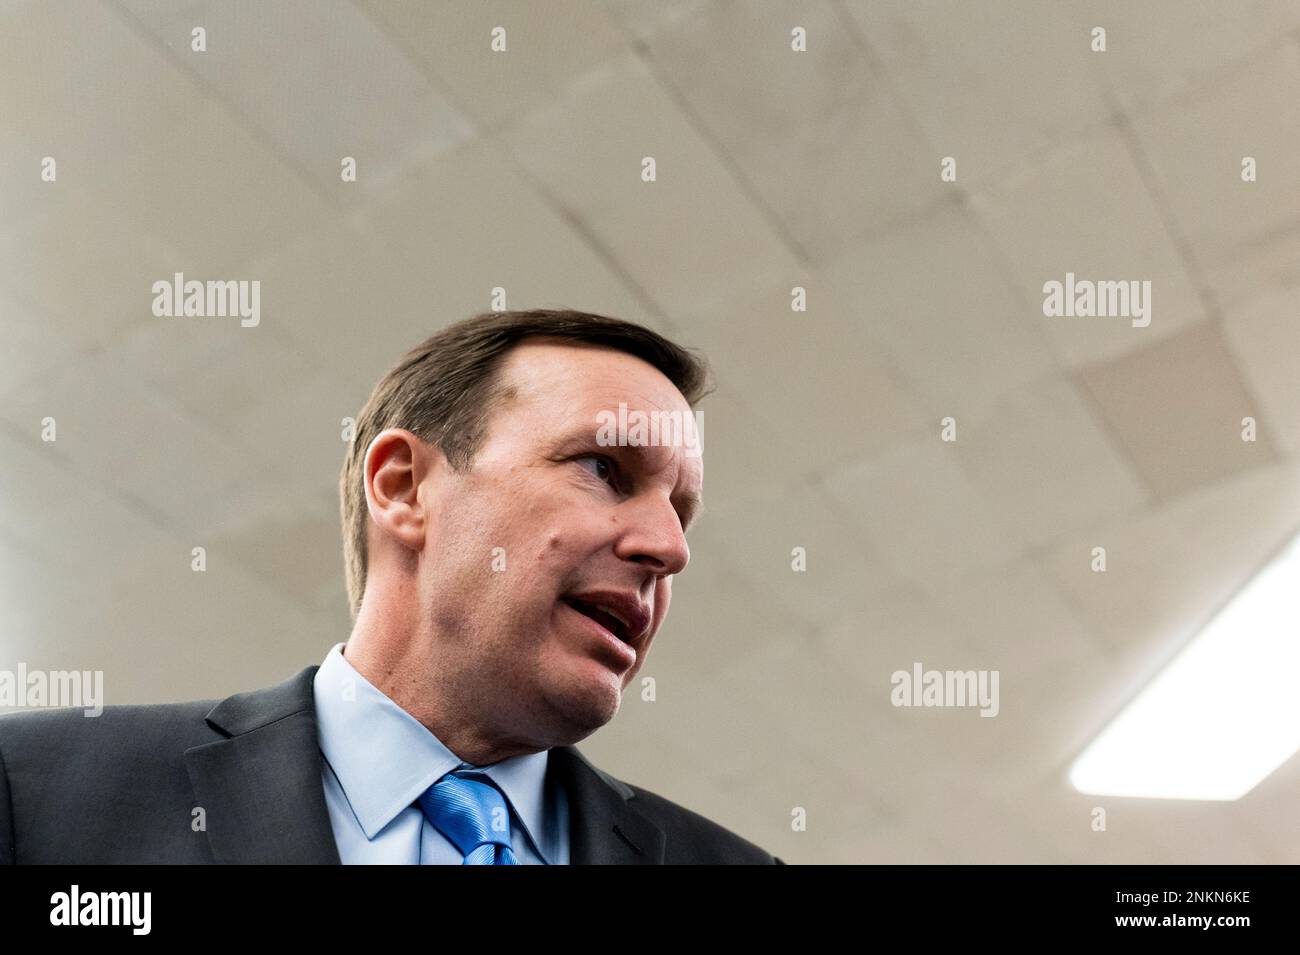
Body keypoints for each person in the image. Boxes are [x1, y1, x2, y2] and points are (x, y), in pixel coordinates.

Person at [0, 308, 785, 865]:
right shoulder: (36, 795)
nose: (669, 547)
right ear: (404, 486)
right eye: (604, 468)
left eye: (681, 512)